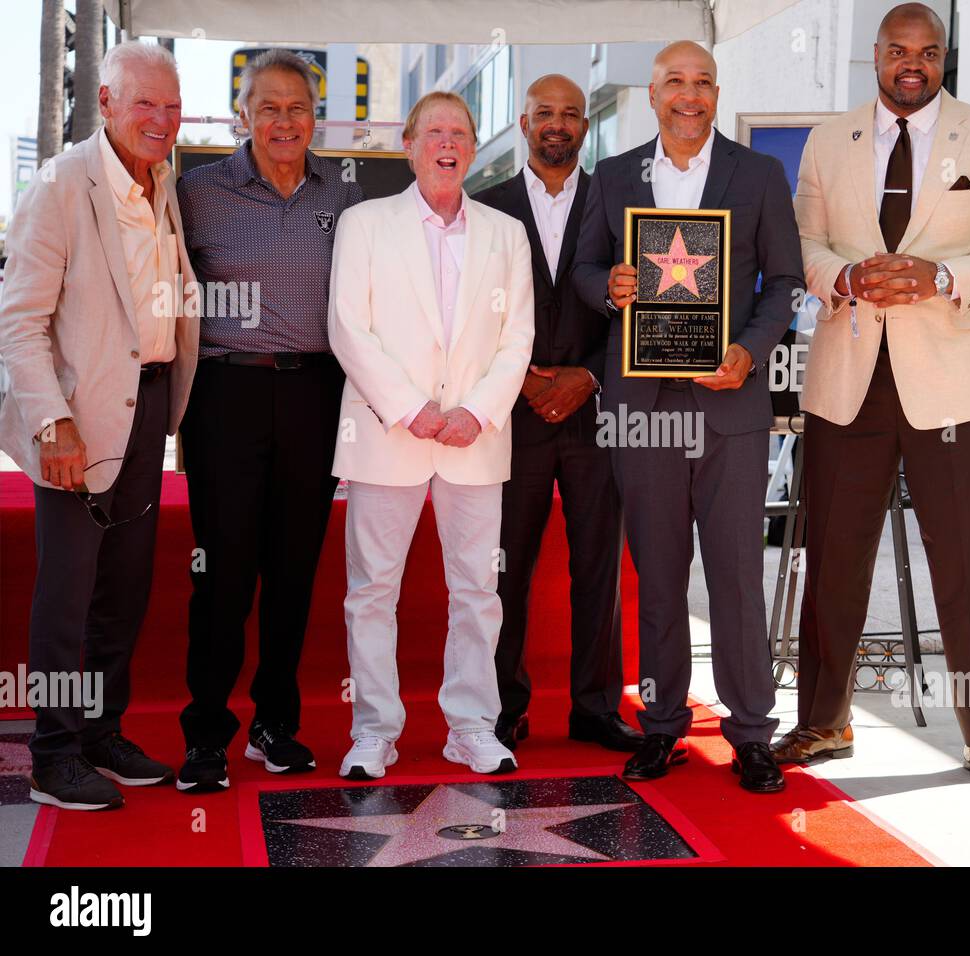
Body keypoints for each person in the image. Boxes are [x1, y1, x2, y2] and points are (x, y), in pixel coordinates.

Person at [789, 3, 970, 795]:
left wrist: (945, 277)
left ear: (944, 60)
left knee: (967, 566)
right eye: (899, 50)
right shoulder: (828, 140)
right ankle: (824, 720)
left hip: (958, 386)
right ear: (876, 55)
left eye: (929, 53)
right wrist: (841, 276)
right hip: (849, 379)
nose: (913, 64)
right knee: (834, 556)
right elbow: (803, 240)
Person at [573, 40, 804, 793]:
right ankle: (663, 724)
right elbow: (580, 271)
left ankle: (751, 733)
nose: (690, 95)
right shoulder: (611, 178)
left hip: (729, 403)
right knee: (660, 572)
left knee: (738, 574)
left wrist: (748, 349)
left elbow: (787, 282)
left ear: (715, 91)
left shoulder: (760, 174)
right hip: (642, 410)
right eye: (676, 81)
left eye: (703, 82)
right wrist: (609, 284)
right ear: (652, 93)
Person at [0, 42, 198, 810]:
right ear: (106, 102)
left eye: (173, 105)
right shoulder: (59, 184)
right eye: (145, 102)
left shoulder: (162, 180)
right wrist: (51, 423)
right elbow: (18, 322)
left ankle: (100, 731)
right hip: (75, 421)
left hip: (150, 407)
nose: (162, 118)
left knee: (124, 585)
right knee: (67, 591)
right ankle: (52, 755)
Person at [174, 50, 365, 793]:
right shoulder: (196, 192)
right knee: (221, 574)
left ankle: (274, 726)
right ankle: (205, 736)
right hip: (227, 397)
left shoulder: (345, 194)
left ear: (314, 117)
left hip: (317, 394)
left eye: (297, 107)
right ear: (241, 116)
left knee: (293, 570)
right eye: (268, 106)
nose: (283, 121)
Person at [329, 91, 535, 778]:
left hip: (475, 439)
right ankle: (373, 731)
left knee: (479, 590)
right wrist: (409, 408)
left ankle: (473, 726)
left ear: (473, 149)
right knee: (371, 591)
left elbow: (519, 336)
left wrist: (477, 411)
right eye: (435, 131)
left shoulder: (506, 234)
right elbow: (347, 327)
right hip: (387, 432)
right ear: (410, 145)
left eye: (461, 132)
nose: (448, 142)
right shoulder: (364, 223)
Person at [474, 75, 640, 754]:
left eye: (571, 114)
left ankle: (597, 708)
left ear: (585, 126)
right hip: (513, 414)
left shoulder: (619, 202)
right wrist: (518, 382)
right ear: (523, 122)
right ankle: (503, 707)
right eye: (546, 113)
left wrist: (591, 376)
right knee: (504, 566)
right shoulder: (485, 209)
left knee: (599, 564)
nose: (559, 124)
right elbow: (468, 316)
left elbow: (643, 305)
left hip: (595, 410)